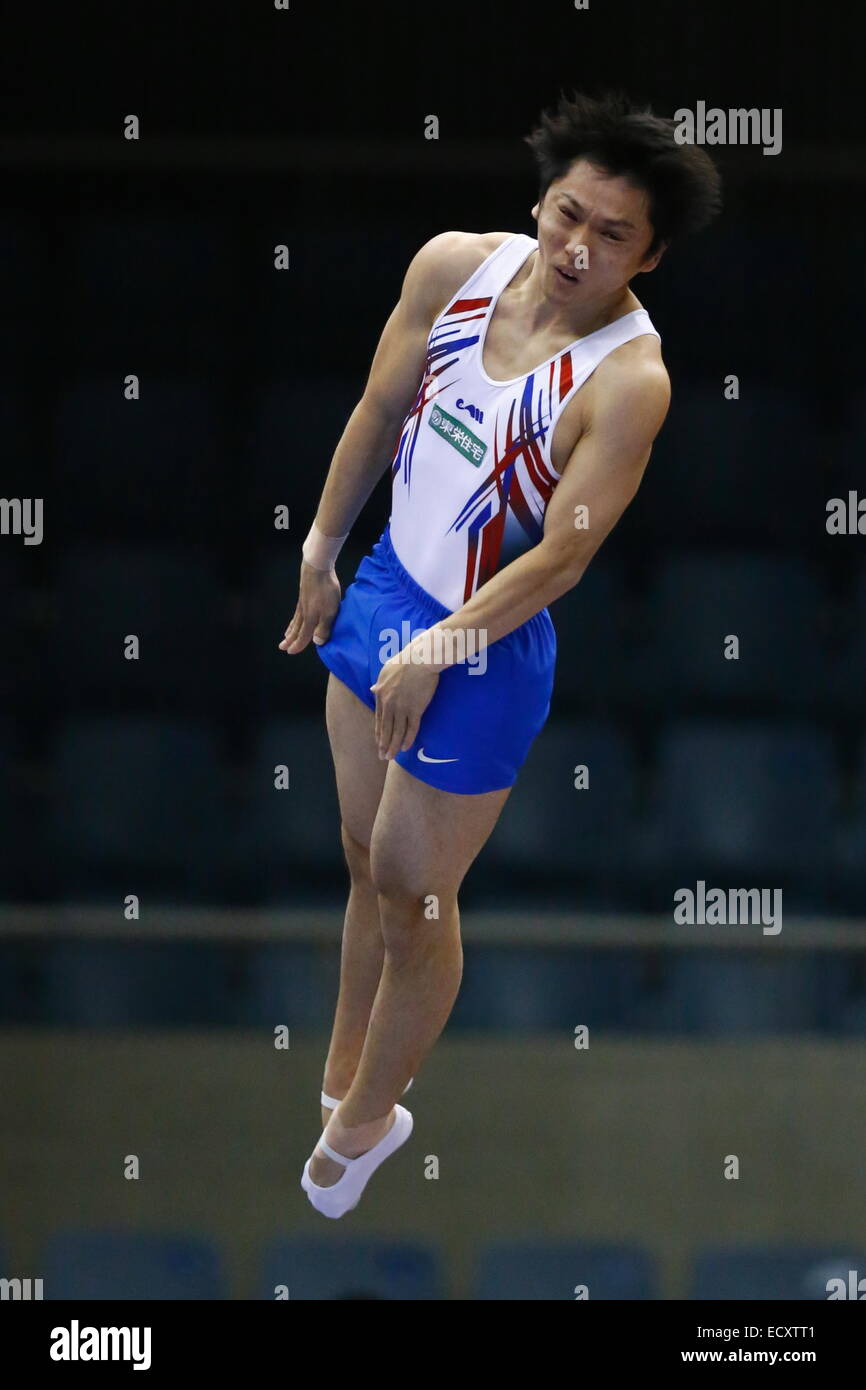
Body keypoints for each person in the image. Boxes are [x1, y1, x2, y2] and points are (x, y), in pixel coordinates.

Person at [280, 89, 721, 1218]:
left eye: (612, 234)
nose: (577, 247)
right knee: (357, 853)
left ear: (651, 254)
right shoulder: (452, 268)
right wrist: (324, 551)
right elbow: (380, 411)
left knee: (413, 889)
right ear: (539, 197)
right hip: (385, 589)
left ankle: (370, 1119)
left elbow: (562, 559)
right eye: (567, 214)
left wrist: (444, 640)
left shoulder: (629, 382)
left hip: (485, 646)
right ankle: (337, 1075)